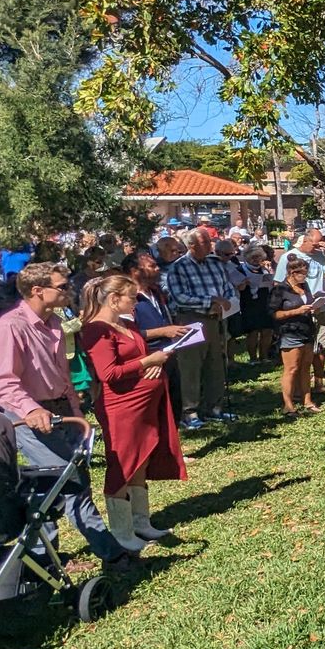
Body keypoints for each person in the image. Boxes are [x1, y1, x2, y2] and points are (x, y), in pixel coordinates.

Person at [0, 263, 134, 569]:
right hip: (29, 416)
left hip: (61, 412)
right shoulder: (9, 328)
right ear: (37, 291)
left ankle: (44, 561)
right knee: (70, 482)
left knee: (50, 488)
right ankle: (112, 555)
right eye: (62, 287)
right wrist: (32, 410)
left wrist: (75, 412)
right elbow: (4, 383)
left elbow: (61, 375)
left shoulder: (54, 323)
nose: (69, 291)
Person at [79, 275, 186, 552]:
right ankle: (122, 532)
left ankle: (141, 522)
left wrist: (154, 365)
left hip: (144, 403)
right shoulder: (96, 329)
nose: (136, 303)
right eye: (131, 298)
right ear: (114, 299)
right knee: (123, 465)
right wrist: (148, 361)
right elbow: (108, 373)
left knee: (140, 460)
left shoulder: (126, 324)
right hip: (121, 407)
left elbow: (138, 358)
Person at [162, 228, 238, 431]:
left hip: (217, 318)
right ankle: (190, 412)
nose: (210, 245)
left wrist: (228, 301)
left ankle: (214, 408)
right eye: (205, 242)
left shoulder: (215, 263)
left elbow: (227, 286)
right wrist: (210, 302)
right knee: (191, 366)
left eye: (209, 241)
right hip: (191, 320)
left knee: (216, 363)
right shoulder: (179, 267)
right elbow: (180, 297)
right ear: (192, 245)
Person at [269, 256, 321, 415]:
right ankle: (288, 404)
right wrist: (296, 311)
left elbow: (309, 302)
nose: (305, 277)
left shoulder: (305, 286)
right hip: (290, 332)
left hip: (307, 330)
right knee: (291, 369)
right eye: (303, 274)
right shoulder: (280, 290)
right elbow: (274, 314)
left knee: (306, 368)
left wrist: (315, 308)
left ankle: (307, 400)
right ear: (292, 272)